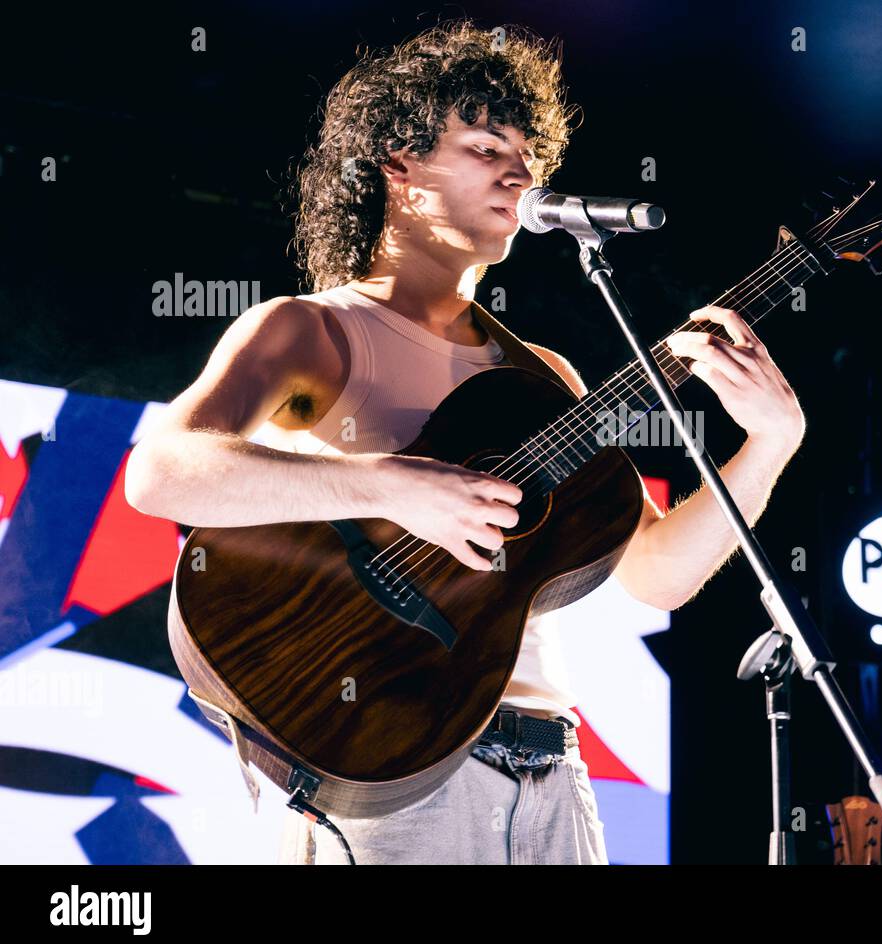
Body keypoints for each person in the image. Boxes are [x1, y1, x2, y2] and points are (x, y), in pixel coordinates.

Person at [124, 18, 805, 864]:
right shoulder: (314, 331)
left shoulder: (543, 376)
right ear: (398, 168)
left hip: (553, 776)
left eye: (529, 157)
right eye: (487, 148)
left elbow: (656, 575)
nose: (520, 174)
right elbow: (162, 471)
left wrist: (769, 445)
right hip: (386, 776)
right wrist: (393, 484)